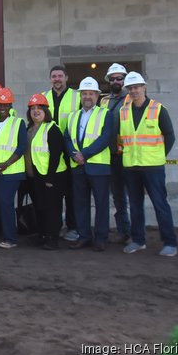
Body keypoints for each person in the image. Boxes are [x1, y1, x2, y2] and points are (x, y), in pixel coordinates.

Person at [119, 72, 178, 256]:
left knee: (160, 204)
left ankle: (170, 242)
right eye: (130, 88)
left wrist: (158, 155)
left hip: (153, 167)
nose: (133, 91)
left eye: (136, 87)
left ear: (144, 87)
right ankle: (138, 240)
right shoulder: (124, 111)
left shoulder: (158, 109)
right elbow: (122, 138)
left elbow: (170, 136)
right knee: (135, 205)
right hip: (131, 167)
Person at [63, 78, 115, 251]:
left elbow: (105, 138)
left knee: (101, 204)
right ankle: (84, 236)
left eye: (91, 94)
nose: (87, 97)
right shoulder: (73, 116)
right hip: (78, 167)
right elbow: (68, 138)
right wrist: (74, 155)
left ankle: (100, 238)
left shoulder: (105, 114)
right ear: (80, 96)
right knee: (80, 204)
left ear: (97, 96)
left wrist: (84, 154)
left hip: (98, 167)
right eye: (84, 93)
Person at [0, 88, 27, 249]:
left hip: (11, 172)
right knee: (1, 204)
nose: (2, 108)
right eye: (0, 104)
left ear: (10, 105)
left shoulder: (18, 122)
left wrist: (6, 164)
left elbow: (22, 147)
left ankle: (11, 239)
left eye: (5, 105)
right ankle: (5, 235)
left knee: (6, 202)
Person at [25, 93, 67, 250]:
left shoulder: (52, 128)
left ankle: (53, 238)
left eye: (39, 108)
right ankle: (42, 235)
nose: (36, 111)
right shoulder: (29, 129)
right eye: (32, 108)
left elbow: (55, 155)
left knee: (53, 209)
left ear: (46, 111)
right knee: (40, 207)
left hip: (52, 176)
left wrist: (50, 178)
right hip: (36, 176)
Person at [43, 65, 80, 242]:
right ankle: (54, 226)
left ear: (66, 77)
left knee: (72, 192)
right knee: (53, 194)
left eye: (60, 76)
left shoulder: (77, 96)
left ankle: (73, 227)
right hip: (49, 151)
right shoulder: (44, 97)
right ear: (50, 79)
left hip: (70, 149)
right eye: (54, 76)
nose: (57, 79)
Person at [100, 63, 131, 243]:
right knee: (118, 196)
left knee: (131, 196)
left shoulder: (132, 99)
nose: (116, 81)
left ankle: (134, 232)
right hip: (108, 155)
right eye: (112, 79)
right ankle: (123, 231)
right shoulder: (104, 101)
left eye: (119, 78)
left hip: (126, 154)